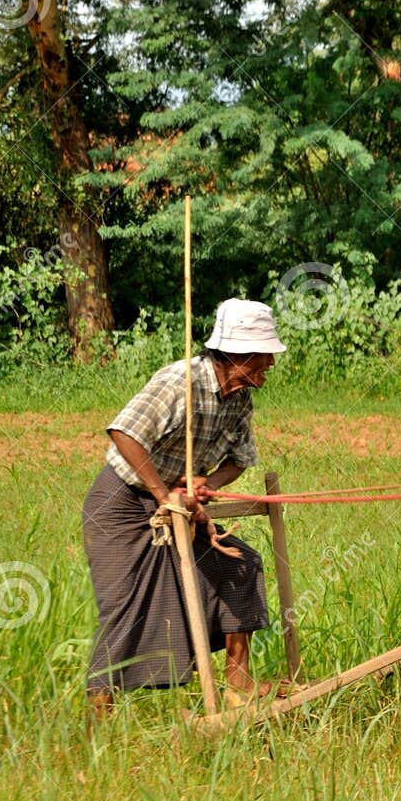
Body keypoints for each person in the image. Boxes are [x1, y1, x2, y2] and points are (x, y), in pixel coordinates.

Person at [83, 299, 285, 720]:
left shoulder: (239, 398)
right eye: (264, 355)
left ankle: (238, 687)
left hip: (178, 506)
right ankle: (97, 722)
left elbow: (240, 458)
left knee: (239, 566)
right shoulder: (181, 381)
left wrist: (206, 485)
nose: (270, 363)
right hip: (122, 505)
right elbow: (124, 433)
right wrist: (163, 494)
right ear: (239, 355)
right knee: (125, 607)